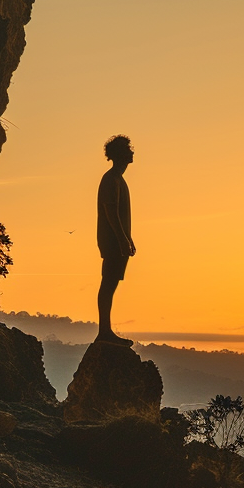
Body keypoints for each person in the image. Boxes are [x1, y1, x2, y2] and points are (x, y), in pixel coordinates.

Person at [96, 134, 136, 345]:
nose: (132, 152)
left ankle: (105, 331)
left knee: (111, 284)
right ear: (121, 154)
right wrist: (121, 240)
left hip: (118, 241)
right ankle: (104, 332)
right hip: (112, 242)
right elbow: (110, 211)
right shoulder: (111, 179)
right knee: (108, 283)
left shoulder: (118, 179)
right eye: (129, 149)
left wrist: (128, 239)